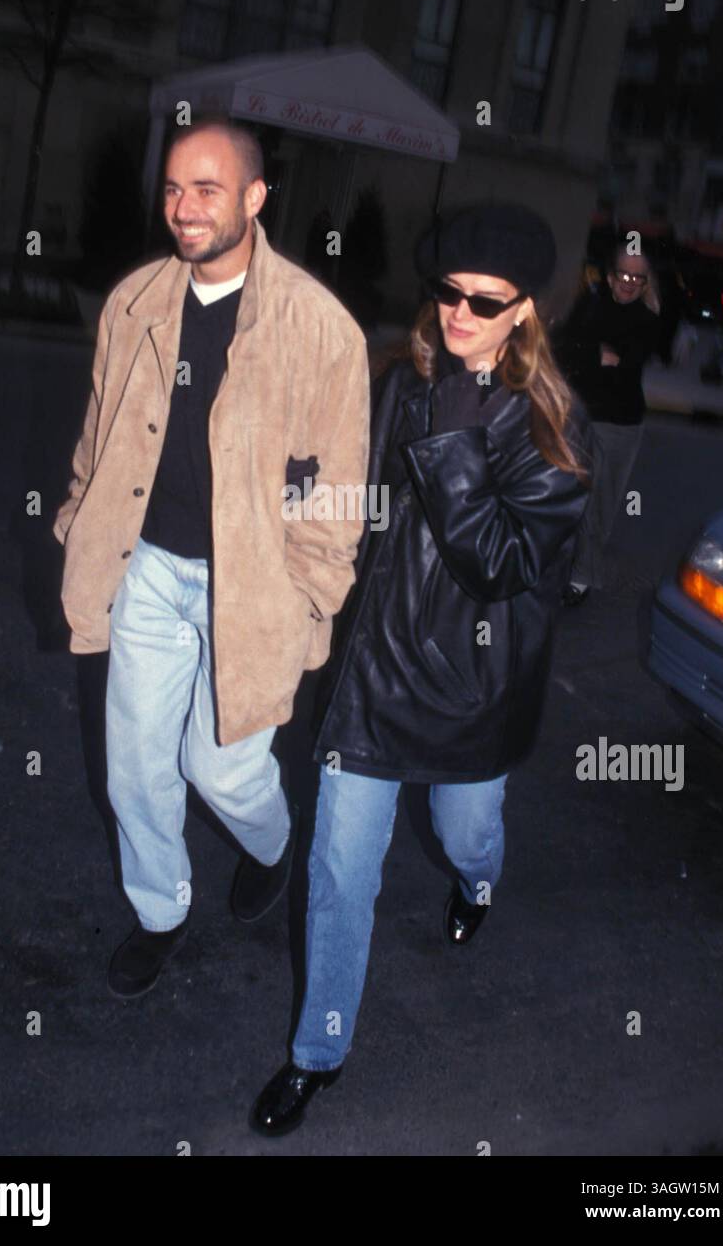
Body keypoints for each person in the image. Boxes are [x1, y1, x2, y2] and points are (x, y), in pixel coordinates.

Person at [250, 203, 592, 1135]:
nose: (459, 313)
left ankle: (480, 883)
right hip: (375, 674)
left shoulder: (551, 429)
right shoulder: (403, 383)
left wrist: (449, 435)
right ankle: (315, 1055)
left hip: (471, 686)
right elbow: (365, 500)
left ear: (524, 312)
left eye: (485, 302)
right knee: (338, 874)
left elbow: (495, 564)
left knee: (464, 831)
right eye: (448, 293)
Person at [53, 119, 369, 999]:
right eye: (173, 190)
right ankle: (160, 911)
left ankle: (273, 843)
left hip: (255, 585)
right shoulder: (136, 301)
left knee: (220, 767)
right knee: (134, 765)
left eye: (207, 190)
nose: (184, 209)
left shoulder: (320, 328)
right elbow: (100, 430)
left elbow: (339, 496)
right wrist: (78, 521)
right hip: (147, 566)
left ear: (255, 198)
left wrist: (312, 602)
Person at [553, 242, 663, 604]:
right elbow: (561, 346)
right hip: (578, 414)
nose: (629, 283)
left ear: (644, 283)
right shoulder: (590, 304)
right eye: (623, 275)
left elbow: (624, 365)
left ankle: (581, 578)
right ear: (611, 276)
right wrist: (594, 353)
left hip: (619, 425)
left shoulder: (646, 321)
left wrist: (587, 352)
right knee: (559, 493)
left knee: (599, 504)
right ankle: (550, 565)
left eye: (637, 277)